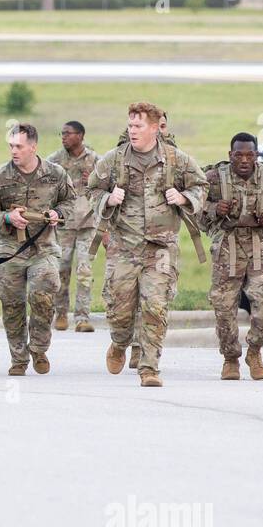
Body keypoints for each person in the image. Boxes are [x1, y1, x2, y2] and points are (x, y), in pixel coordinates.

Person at [88, 102, 207, 387]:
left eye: (138, 126)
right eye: (130, 125)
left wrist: (184, 198)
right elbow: (91, 188)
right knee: (120, 311)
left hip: (160, 248)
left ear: (155, 128)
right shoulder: (113, 160)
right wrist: (107, 199)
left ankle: (149, 367)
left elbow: (201, 186)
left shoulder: (176, 160)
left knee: (155, 307)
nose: (132, 131)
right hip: (123, 248)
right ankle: (119, 343)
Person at [0, 123, 76, 376]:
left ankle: (39, 348)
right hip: (11, 249)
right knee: (11, 304)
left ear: (33, 147)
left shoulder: (56, 174)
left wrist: (58, 213)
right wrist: (7, 218)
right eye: (11, 146)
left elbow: (71, 201)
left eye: (19, 146)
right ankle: (18, 358)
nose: (14, 151)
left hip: (44, 248)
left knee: (43, 294)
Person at [200, 132, 263, 380]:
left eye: (249, 154)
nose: (244, 160)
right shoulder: (213, 179)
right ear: (230, 155)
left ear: (256, 155)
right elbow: (193, 205)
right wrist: (212, 209)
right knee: (224, 307)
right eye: (238, 155)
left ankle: (255, 352)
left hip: (257, 246)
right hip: (227, 247)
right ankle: (230, 358)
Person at [46, 121, 100, 332]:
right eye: (62, 133)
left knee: (85, 270)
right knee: (62, 269)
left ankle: (82, 318)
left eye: (68, 133)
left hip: (88, 223)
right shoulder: (54, 161)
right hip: (63, 225)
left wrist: (93, 181)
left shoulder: (96, 160)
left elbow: (109, 187)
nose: (64, 137)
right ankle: (60, 313)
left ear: (81, 135)